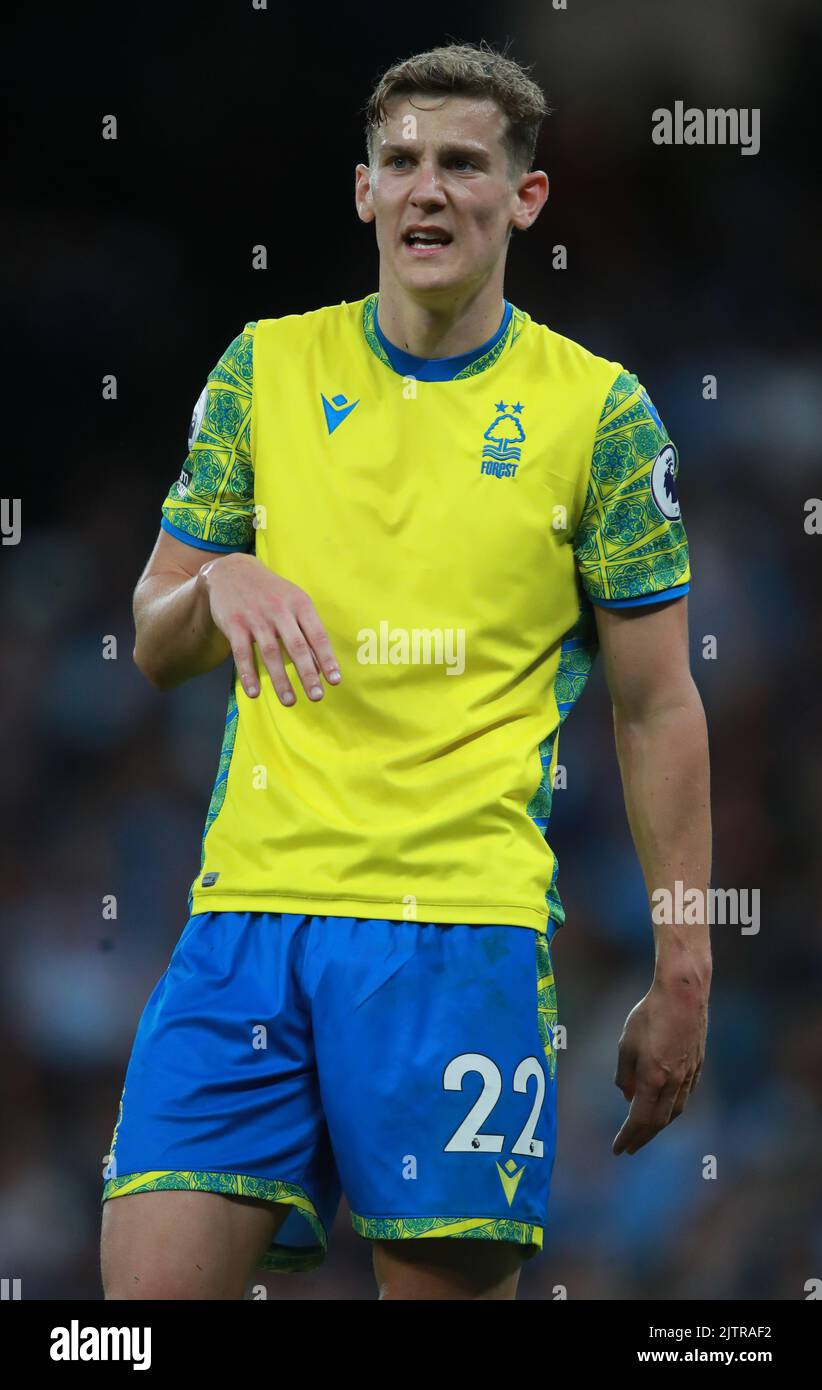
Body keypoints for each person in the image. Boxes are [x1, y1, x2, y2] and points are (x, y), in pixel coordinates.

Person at [100, 41, 712, 1302]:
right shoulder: (262, 372)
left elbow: (659, 705)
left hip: (460, 936)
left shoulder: (600, 417)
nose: (429, 188)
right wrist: (217, 583)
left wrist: (684, 964)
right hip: (245, 922)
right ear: (365, 192)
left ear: (524, 198)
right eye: (402, 161)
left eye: (464, 163)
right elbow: (156, 640)